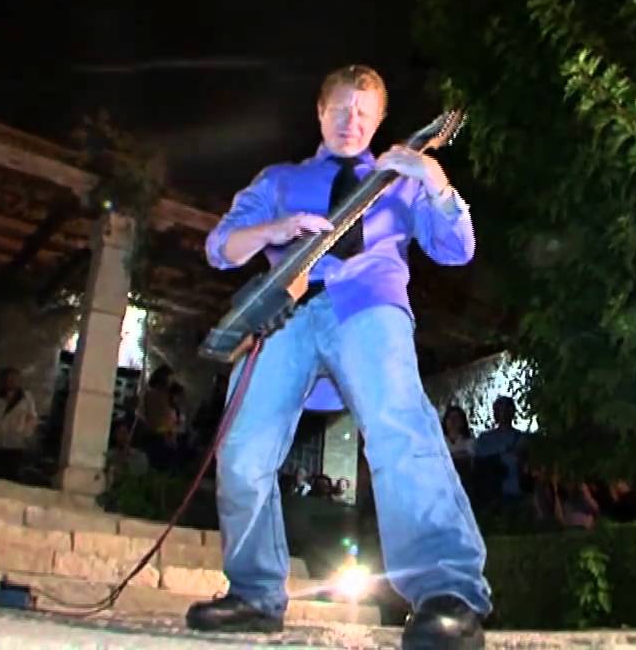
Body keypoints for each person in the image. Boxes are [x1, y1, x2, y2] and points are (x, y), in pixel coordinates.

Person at [187, 65, 490, 649]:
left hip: (369, 304)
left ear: (378, 121)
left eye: (365, 112)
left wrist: (435, 179)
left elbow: (456, 249)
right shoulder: (278, 178)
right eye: (341, 109)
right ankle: (254, 593)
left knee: (401, 431)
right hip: (288, 310)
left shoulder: (399, 179)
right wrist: (277, 228)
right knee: (243, 448)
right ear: (320, 112)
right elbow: (219, 247)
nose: (352, 121)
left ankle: (447, 594)